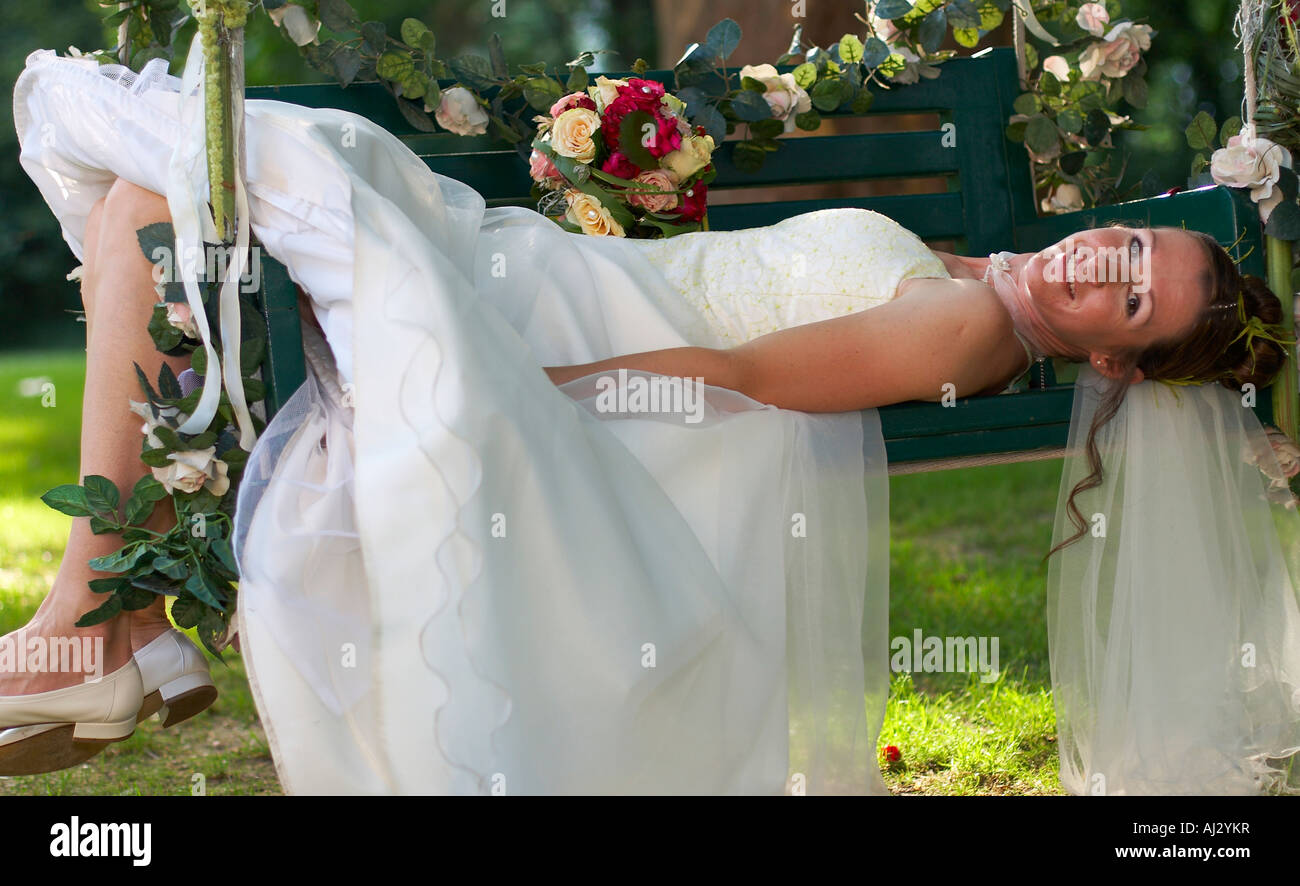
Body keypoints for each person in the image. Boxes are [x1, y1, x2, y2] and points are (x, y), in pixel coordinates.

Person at [5, 48, 1298, 793]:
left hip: (578, 328)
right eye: (1130, 244)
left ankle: (91, 623)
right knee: (169, 192)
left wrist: (528, 391)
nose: (1099, 266)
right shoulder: (969, 283)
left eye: (1130, 300)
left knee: (174, 197)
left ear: (1118, 364)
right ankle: (112, 629)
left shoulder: (967, 331)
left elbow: (741, 376)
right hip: (562, 281)